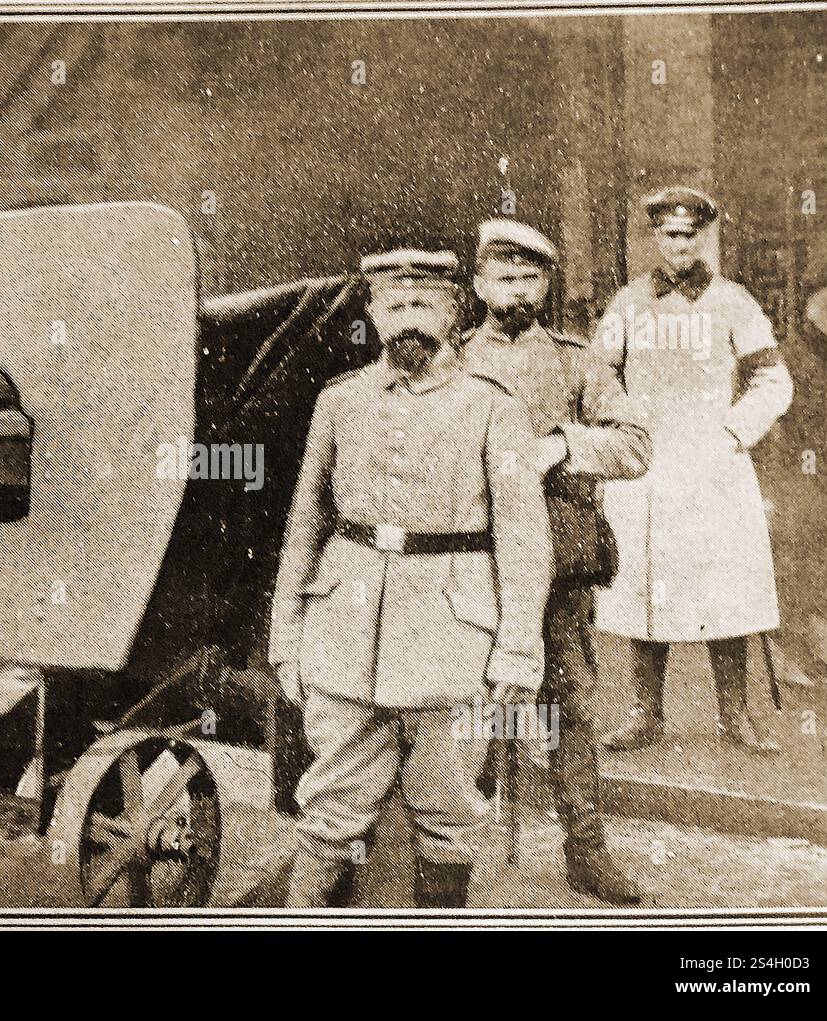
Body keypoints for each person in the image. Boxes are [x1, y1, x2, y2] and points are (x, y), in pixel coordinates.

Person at [270, 243, 552, 908]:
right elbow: (305, 521)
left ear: (454, 310)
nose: (409, 320)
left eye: (425, 304)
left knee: (449, 812)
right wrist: (287, 633)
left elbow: (522, 535)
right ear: (373, 311)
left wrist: (518, 646)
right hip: (345, 633)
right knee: (331, 807)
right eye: (395, 305)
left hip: (453, 638)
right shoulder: (339, 401)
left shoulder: (492, 406)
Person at [460, 218, 651, 905]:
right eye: (504, 276)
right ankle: (448, 843)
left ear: (546, 283)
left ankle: (587, 850)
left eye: (531, 276)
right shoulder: (454, 362)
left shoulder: (578, 360)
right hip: (475, 561)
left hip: (562, 562)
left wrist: (564, 445)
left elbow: (634, 446)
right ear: (479, 284)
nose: (518, 288)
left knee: (570, 703)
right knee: (464, 699)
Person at [596, 188, 793, 755]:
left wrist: (733, 433)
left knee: (723, 587)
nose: (678, 245)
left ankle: (735, 713)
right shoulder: (630, 303)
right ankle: (644, 712)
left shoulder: (733, 302)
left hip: (714, 465)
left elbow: (773, 379)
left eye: (688, 235)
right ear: (654, 238)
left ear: (702, 237)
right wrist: (622, 421)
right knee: (644, 583)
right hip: (648, 463)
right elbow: (598, 374)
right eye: (667, 235)